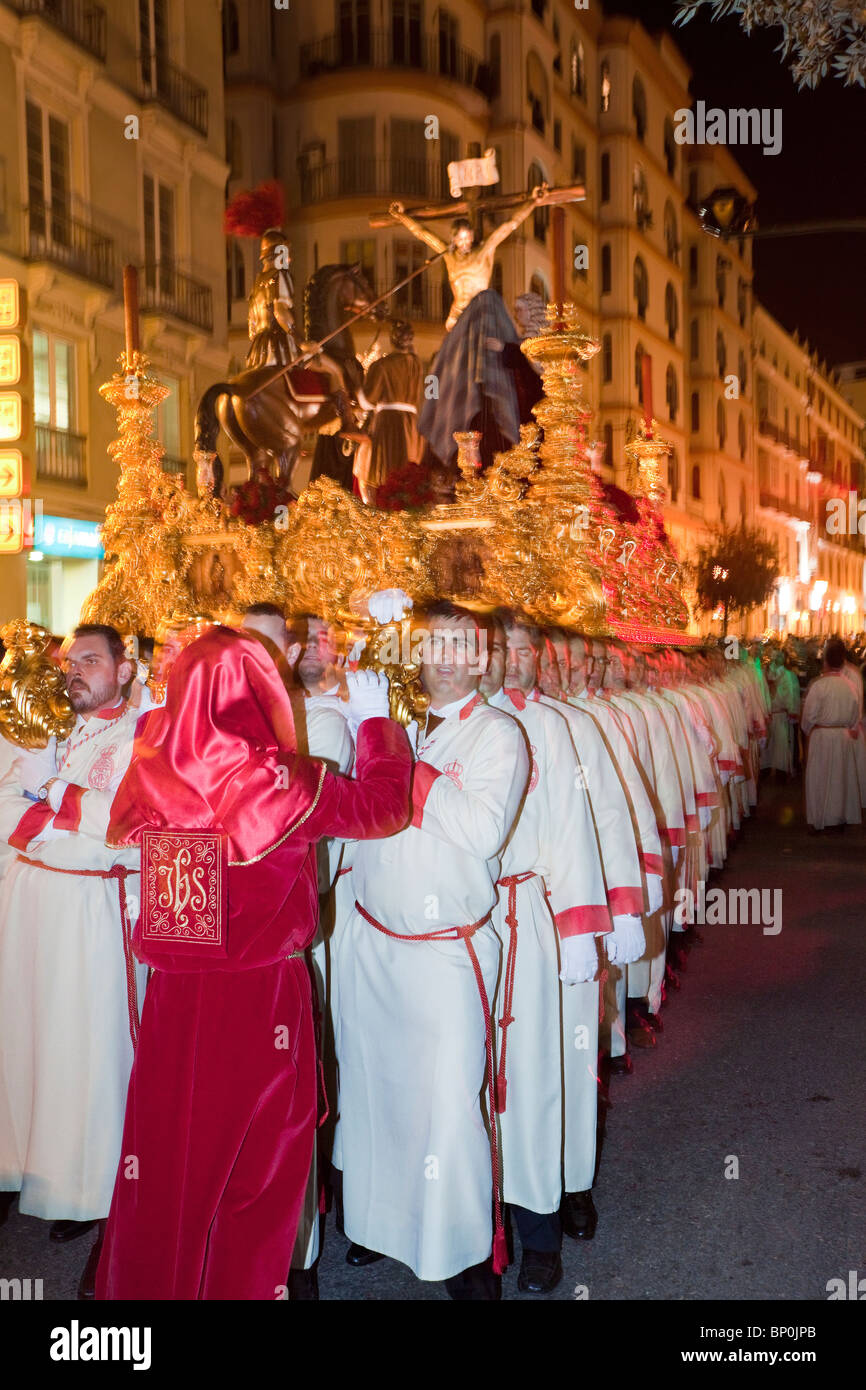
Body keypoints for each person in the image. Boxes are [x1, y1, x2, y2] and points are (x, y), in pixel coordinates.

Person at [96, 626, 411, 1300]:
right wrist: (378, 726)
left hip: (177, 1001)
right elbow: (385, 809)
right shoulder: (288, 785)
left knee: (171, 1161)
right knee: (258, 1174)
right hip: (262, 998)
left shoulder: (151, 770)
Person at [334, 598, 529, 1299]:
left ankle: (466, 1254)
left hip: (445, 952)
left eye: (460, 645)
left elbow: (480, 831)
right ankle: (385, 1227)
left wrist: (393, 757)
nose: (444, 657)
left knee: (448, 1105)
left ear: (481, 659)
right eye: (431, 643)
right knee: (377, 1095)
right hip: (373, 944)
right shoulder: (393, 721)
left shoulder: (498, 734)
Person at [0, 624, 150, 1298]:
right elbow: (5, 807)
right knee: (37, 1051)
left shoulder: (148, 733)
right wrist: (59, 816)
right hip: (36, 910)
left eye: (92, 661)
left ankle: (106, 1199)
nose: (74, 673)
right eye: (69, 662)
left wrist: (52, 807)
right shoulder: (46, 725)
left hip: (97, 915)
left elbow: (124, 825)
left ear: (125, 667)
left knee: (94, 1059)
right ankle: (54, 1178)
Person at [480, 614, 611, 1293]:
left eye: (519, 648)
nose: (508, 660)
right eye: (496, 648)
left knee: (528, 1079)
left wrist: (580, 930)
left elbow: (571, 825)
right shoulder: (453, 724)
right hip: (463, 924)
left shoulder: (554, 729)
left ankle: (539, 1226)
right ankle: (468, 1228)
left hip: (527, 916)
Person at [388, 186, 547, 469]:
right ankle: (452, 431)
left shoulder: (484, 252)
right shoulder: (448, 257)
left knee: (485, 375)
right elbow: (424, 235)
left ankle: (494, 429)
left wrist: (533, 203)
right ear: (453, 239)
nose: (464, 242)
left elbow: (507, 227)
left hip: (483, 321)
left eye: (468, 237)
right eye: (459, 238)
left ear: (473, 237)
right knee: (449, 376)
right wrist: (403, 219)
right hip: (457, 323)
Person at [354, 320, 423, 506]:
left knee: (369, 467)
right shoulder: (417, 365)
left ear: (393, 340)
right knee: (407, 472)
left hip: (387, 423)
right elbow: (430, 393)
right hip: (411, 425)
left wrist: (356, 385)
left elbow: (367, 401)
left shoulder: (382, 365)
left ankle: (373, 512)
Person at [800, 637, 861, 832]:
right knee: (840, 779)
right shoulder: (850, 686)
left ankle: (820, 819)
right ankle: (838, 818)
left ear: (825, 661)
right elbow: (854, 715)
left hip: (822, 736)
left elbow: (808, 715)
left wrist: (808, 730)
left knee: (819, 778)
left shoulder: (819, 686)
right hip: (842, 736)